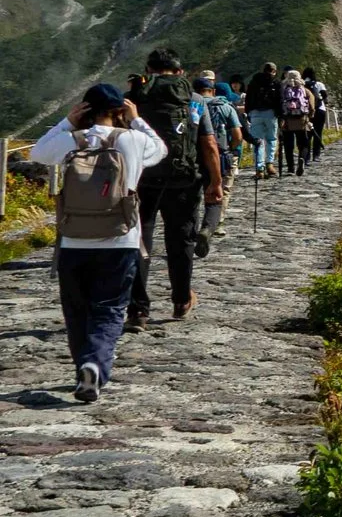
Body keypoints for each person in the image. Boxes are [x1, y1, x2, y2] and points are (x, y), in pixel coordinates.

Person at [28, 82, 165, 401]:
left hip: (74, 239)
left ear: (85, 111)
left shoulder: (70, 140)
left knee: (77, 311)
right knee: (110, 309)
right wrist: (136, 120)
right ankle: (94, 364)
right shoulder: (132, 140)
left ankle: (83, 369)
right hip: (120, 239)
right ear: (119, 111)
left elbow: (37, 152)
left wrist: (67, 122)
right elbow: (161, 150)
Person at [127, 49, 220, 331]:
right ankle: (181, 300)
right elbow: (209, 145)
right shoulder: (194, 100)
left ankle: (138, 311)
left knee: (139, 242)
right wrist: (215, 182)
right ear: (180, 72)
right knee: (181, 242)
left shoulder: (135, 99)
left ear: (148, 69)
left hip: (141, 181)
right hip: (184, 180)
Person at [192, 71, 241, 255]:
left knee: (193, 197)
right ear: (212, 91)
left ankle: (191, 233)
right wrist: (230, 148)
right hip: (219, 156)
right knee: (216, 195)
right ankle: (208, 228)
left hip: (193, 157)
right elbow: (237, 135)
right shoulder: (225, 106)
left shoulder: (190, 105)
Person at [243, 62, 282, 179]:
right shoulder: (276, 83)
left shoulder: (254, 82)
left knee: (257, 141)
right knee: (271, 139)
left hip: (255, 113)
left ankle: (259, 168)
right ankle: (269, 164)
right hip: (271, 113)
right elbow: (280, 100)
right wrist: (280, 115)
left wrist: (249, 112)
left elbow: (248, 98)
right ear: (274, 71)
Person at [278, 67, 315, 176]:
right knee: (303, 143)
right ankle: (302, 158)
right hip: (302, 120)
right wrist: (310, 117)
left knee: (288, 145)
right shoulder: (305, 90)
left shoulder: (283, 90)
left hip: (287, 122)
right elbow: (312, 106)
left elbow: (279, 105)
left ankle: (290, 168)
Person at [305, 68, 329, 163]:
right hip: (320, 110)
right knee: (318, 133)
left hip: (307, 112)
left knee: (307, 134)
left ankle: (306, 156)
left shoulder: (302, 84)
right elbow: (325, 97)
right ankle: (316, 155)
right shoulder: (319, 84)